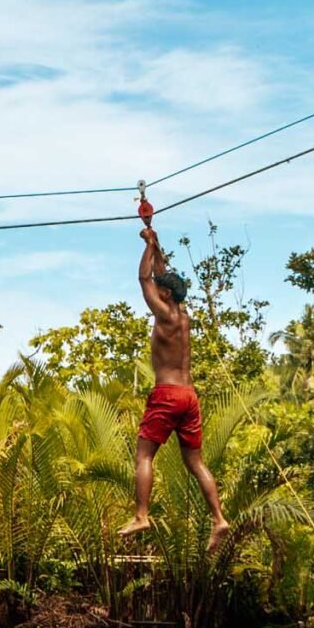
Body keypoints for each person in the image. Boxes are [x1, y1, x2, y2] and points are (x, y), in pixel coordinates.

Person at [118, 225, 231, 550]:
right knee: (195, 463)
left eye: (160, 289)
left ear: (165, 294)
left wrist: (146, 249)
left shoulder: (164, 314)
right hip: (189, 397)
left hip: (167, 395)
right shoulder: (182, 314)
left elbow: (144, 278)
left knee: (143, 456)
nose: (155, 288)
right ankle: (219, 519)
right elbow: (161, 273)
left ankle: (141, 515)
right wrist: (154, 242)